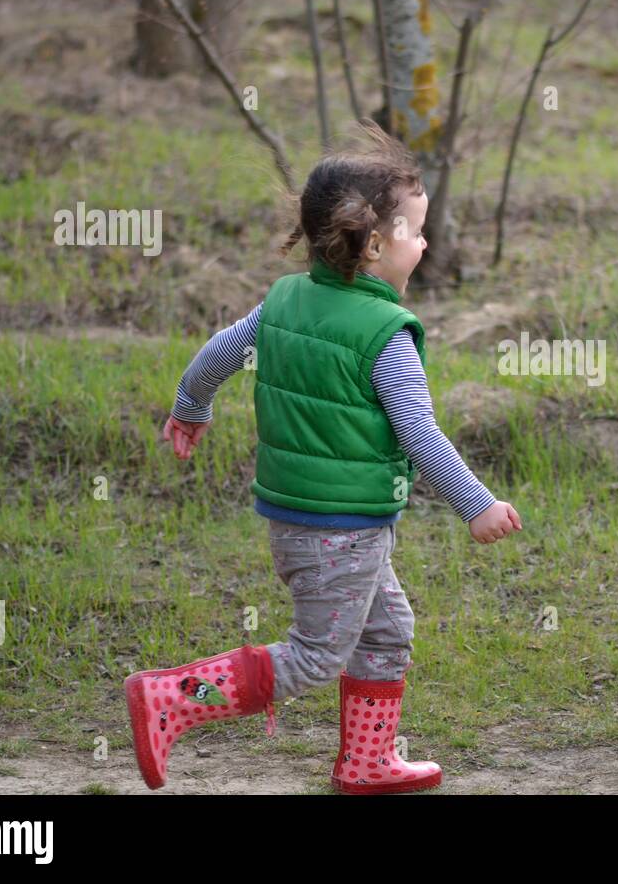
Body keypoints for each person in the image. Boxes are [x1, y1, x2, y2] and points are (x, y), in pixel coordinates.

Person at [125, 122, 521, 793]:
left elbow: (220, 350)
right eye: (417, 231)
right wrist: (475, 504)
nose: (425, 243)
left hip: (303, 517)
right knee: (313, 657)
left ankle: (367, 760)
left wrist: (192, 405)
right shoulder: (384, 333)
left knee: (388, 629)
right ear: (372, 245)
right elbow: (419, 433)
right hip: (342, 526)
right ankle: (173, 697)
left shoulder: (283, 301)